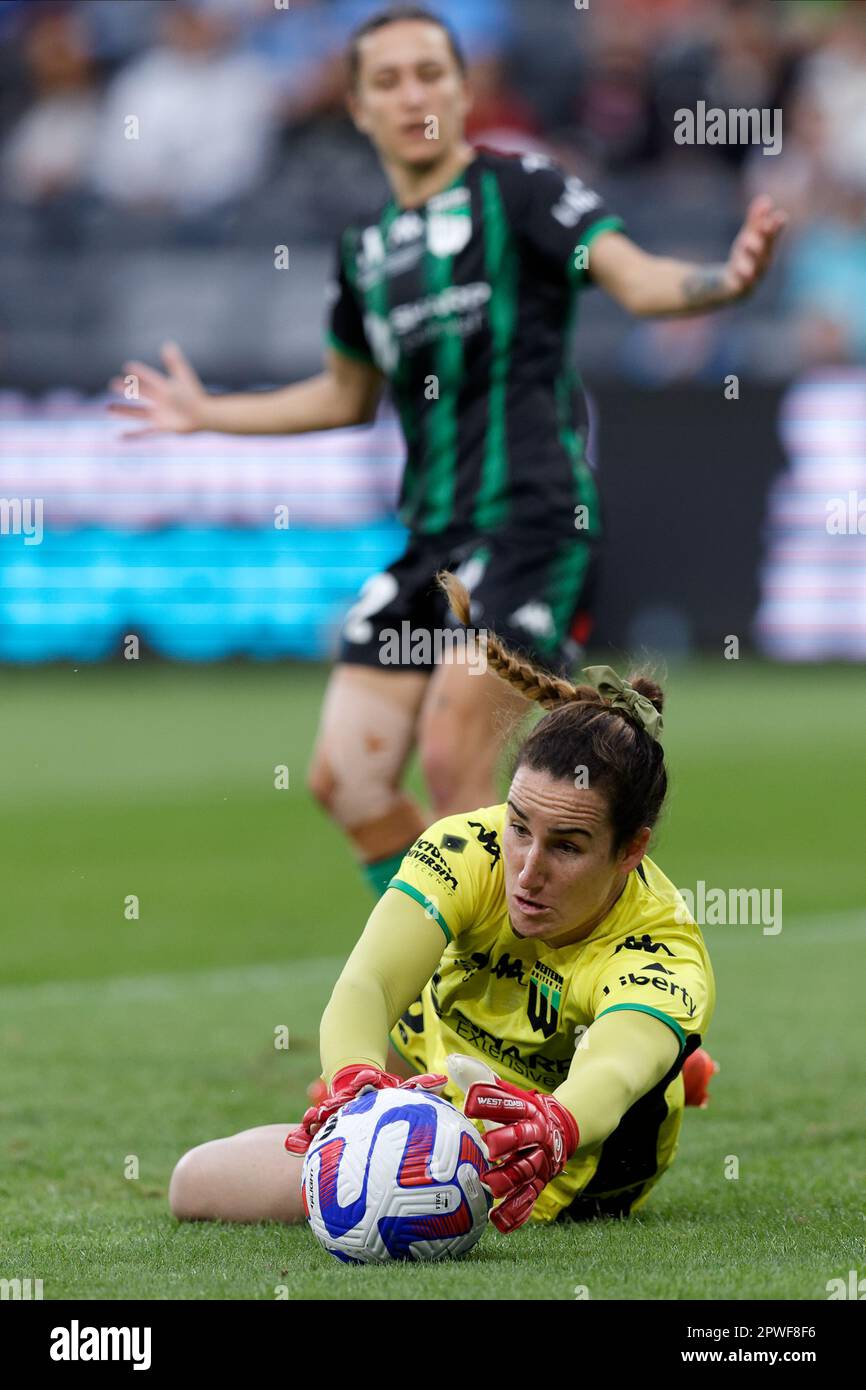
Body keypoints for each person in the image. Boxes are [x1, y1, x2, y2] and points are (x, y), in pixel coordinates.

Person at [109, 4, 786, 904]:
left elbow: (637, 277)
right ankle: (491, 986)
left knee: (458, 769)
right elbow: (346, 397)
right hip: (431, 542)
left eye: (431, 73)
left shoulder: (525, 191)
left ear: (466, 89)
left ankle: (501, 1027)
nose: (413, 94)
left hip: (534, 522)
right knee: (344, 779)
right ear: (356, 106)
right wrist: (210, 414)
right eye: (387, 80)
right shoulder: (365, 252)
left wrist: (721, 282)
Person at [168, 570, 717, 1232]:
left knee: (633, 1052)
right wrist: (352, 1081)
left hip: (553, 1162)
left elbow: (612, 1073)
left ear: (631, 850)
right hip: (440, 1081)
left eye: (567, 847)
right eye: (519, 828)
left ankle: (673, 1057)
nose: (528, 870)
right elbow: (369, 982)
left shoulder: (660, 953)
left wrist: (559, 1123)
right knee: (192, 1183)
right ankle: (387, 1098)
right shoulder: (468, 848)